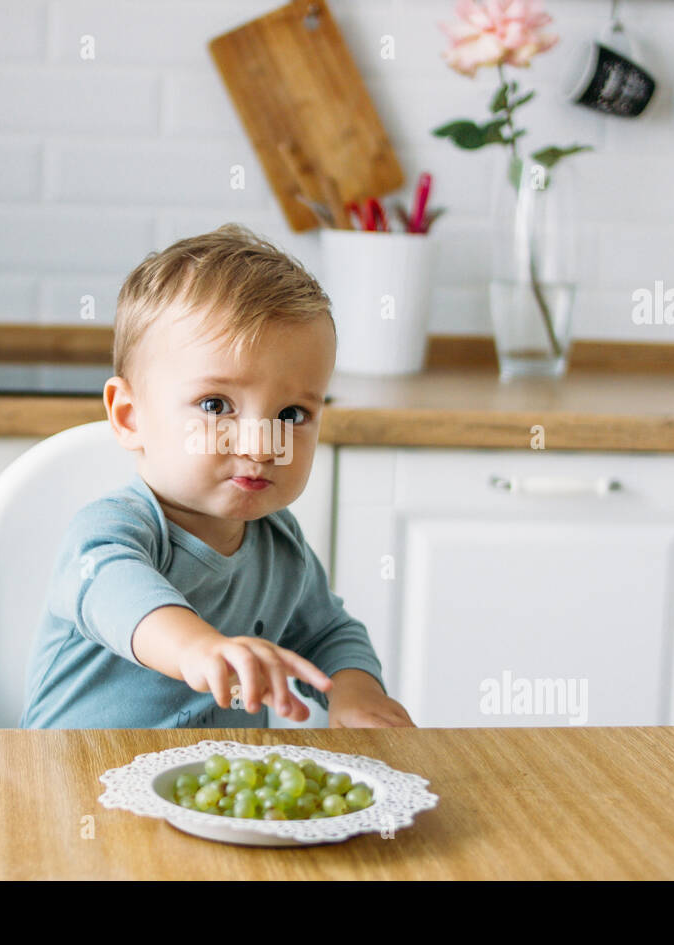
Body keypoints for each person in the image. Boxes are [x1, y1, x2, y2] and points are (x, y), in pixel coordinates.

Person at [21, 223, 415, 729]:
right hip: (77, 787)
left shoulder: (281, 544)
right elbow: (117, 594)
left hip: (213, 798)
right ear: (129, 416)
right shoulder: (112, 530)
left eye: (291, 414)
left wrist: (356, 694)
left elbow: (329, 633)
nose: (257, 444)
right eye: (216, 405)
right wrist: (199, 648)